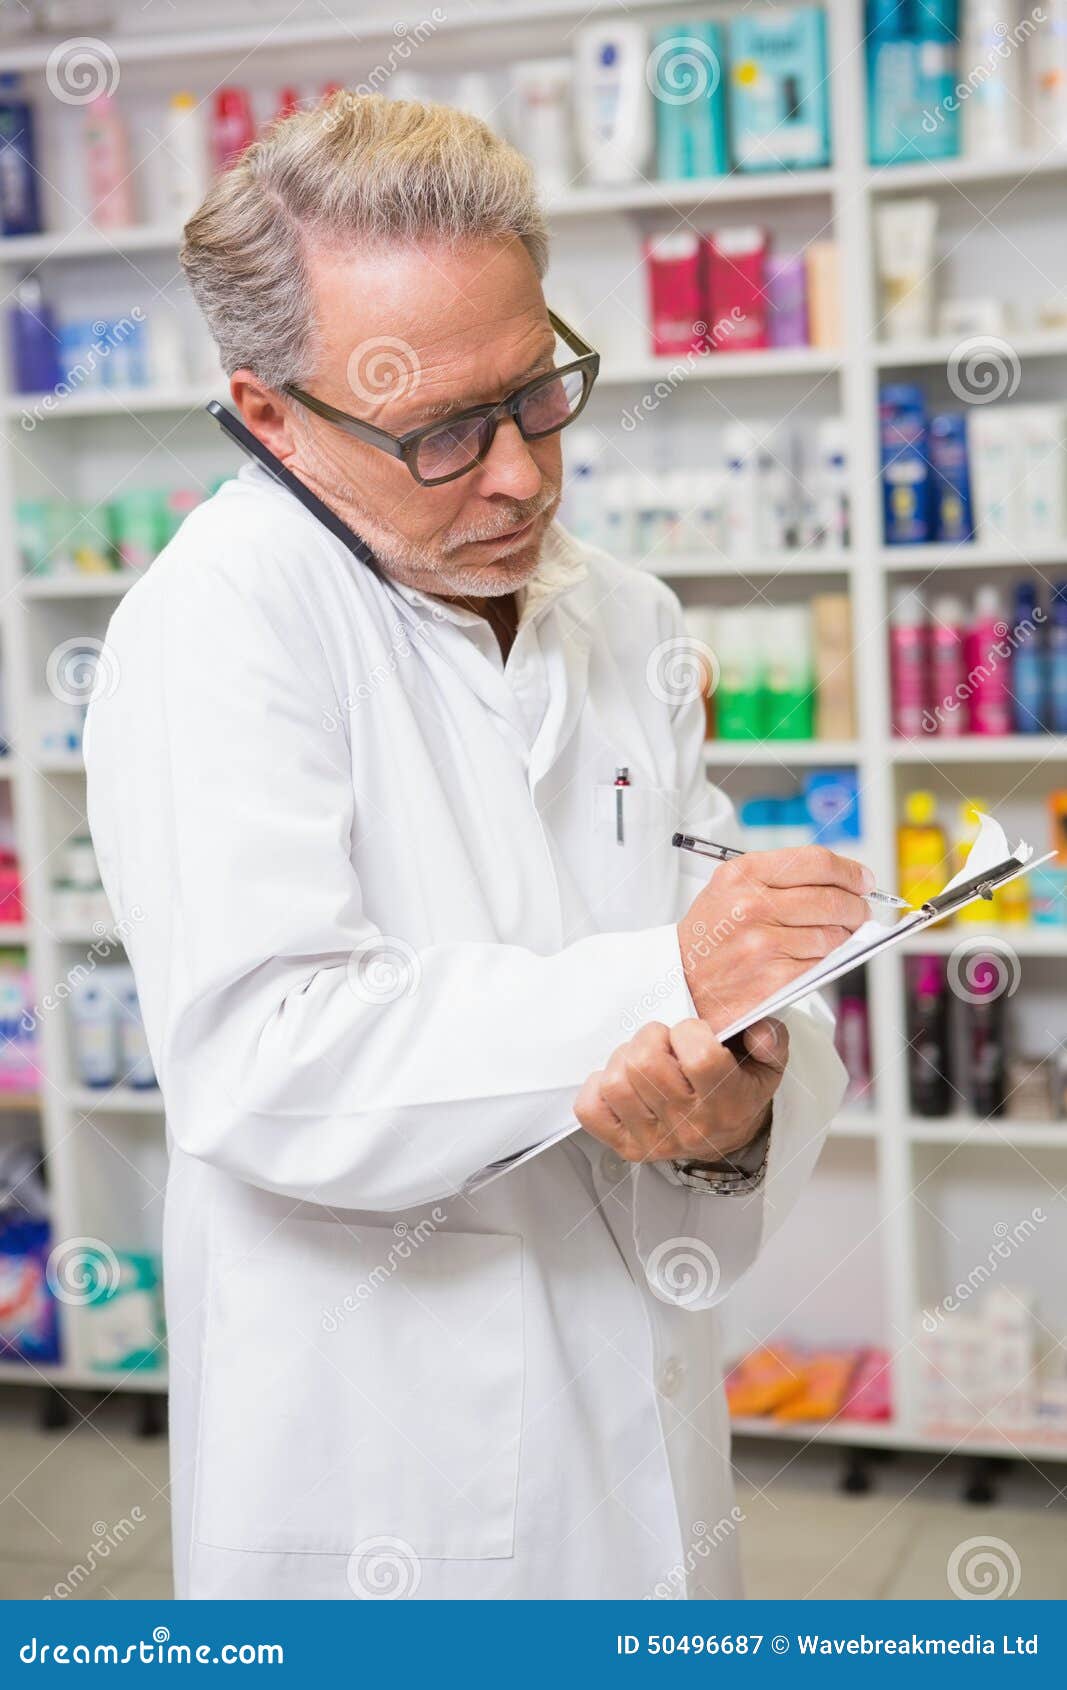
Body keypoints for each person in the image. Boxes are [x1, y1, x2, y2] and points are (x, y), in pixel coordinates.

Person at [84, 93, 870, 1601]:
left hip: (637, 1409)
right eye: (444, 429)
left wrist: (735, 1106)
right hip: (389, 1475)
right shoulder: (217, 624)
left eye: (537, 392)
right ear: (268, 413)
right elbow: (264, 1052)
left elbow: (713, 952)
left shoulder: (624, 613)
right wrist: (663, 983)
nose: (518, 473)